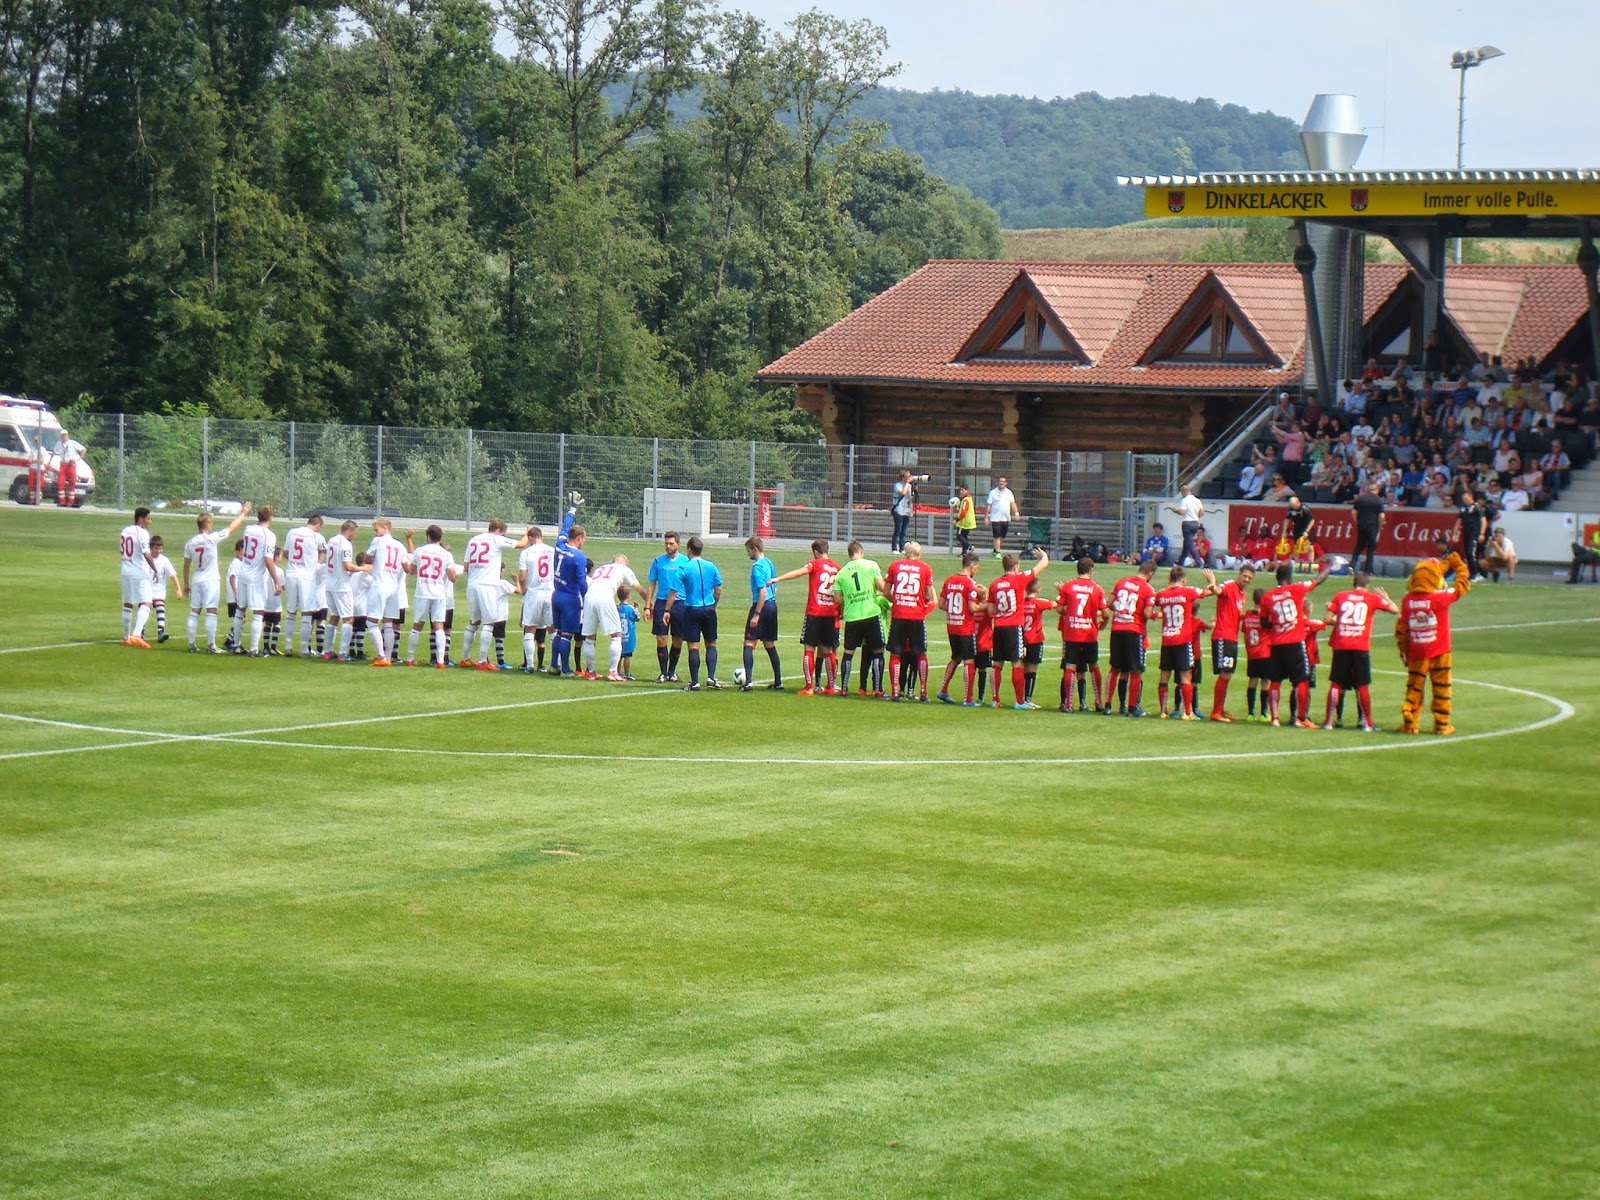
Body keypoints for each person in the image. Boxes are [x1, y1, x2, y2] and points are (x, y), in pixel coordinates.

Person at [1396, 551, 1471, 735]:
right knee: (1441, 689)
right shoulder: (1439, 598)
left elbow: (1401, 630)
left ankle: (1410, 720)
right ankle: (1441, 724)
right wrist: (1459, 565)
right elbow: (1462, 586)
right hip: (1440, 651)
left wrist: (1404, 652)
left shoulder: (1407, 601)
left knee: (1414, 687)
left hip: (1417, 652)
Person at [1322, 571, 1398, 731]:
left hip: (1341, 645)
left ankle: (1328, 722)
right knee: (1362, 685)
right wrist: (1388, 598)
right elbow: (1395, 610)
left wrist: (1343, 623)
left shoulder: (1340, 596)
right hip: (1360, 647)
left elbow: (1328, 619)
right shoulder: (1372, 598)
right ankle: (1367, 724)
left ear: (1353, 583)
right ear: (1367, 585)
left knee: (1336, 684)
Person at [1259, 560, 1330, 727]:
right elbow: (1318, 579)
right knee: (1301, 680)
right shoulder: (1297, 589)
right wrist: (1330, 566)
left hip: (1276, 644)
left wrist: (1277, 625)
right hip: (1295, 642)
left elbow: (1263, 622)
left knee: (1275, 681)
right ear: (1289, 577)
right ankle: (1301, 718)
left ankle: (1275, 718)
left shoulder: (1267, 597)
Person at [770, 539, 841, 695]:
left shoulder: (814, 564)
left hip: (814, 612)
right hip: (830, 614)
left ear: (816, 552)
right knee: (828, 650)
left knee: (809, 649)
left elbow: (799, 572)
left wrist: (778, 579)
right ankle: (830, 687)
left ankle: (809, 687)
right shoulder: (837, 568)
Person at [181, 505, 252, 654]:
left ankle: (191, 643)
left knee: (194, 612)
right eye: (211, 523)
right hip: (211, 579)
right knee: (211, 611)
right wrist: (243, 514)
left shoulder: (190, 542)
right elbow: (231, 528)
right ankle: (211, 645)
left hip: (197, 578)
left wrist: (186, 584)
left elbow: (186, 565)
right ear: (207, 524)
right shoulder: (211, 538)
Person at [462, 519, 530, 672]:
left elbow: (466, 567)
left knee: (474, 621)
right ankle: (482, 660)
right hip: (487, 585)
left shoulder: (473, 540)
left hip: (472, 584)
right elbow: (520, 544)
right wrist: (527, 533)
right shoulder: (495, 539)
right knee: (489, 623)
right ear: (499, 530)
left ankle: (465, 658)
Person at [1153, 565, 1219, 720]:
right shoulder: (1188, 592)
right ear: (1183, 580)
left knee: (1164, 675)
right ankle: (1187, 712)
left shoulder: (1161, 594)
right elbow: (1209, 592)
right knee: (1185, 676)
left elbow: (1154, 603)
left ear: (1169, 579)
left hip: (1167, 640)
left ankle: (1163, 711)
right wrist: (1212, 581)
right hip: (1182, 640)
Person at [987, 548, 1049, 709]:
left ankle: (995, 699)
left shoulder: (995, 585)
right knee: (1017, 663)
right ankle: (1020, 701)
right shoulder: (1019, 579)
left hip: (998, 627)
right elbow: (1043, 565)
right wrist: (1043, 556)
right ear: (1016, 567)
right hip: (1014, 626)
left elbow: (991, 610)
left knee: (997, 664)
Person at [1055, 556, 1109, 714]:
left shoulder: (1068, 586)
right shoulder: (1097, 588)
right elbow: (1105, 613)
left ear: (1077, 569)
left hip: (1072, 631)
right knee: (1093, 665)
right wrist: (1103, 624)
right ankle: (1099, 702)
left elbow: (1059, 608)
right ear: (1091, 571)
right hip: (1089, 633)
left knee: (1070, 666)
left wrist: (1070, 612)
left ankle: (1068, 704)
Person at [832, 540, 886, 697]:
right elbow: (881, 586)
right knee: (877, 651)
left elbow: (837, 598)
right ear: (861, 552)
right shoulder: (871, 565)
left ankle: (843, 687)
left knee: (848, 652)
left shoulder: (841, 573)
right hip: (871, 613)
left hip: (852, 616)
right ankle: (877, 689)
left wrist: (850, 599)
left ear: (849, 555)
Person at [229, 506, 284, 658]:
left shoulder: (249, 529)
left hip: (244, 572)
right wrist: (276, 581)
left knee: (240, 609)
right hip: (255, 577)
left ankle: (236, 645)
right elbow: (268, 559)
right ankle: (254, 649)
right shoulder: (269, 535)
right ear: (270, 518)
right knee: (258, 612)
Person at [403, 526, 462, 668]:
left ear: (428, 536)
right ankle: (441, 661)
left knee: (417, 625)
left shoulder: (420, 550)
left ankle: (410, 658)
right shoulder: (446, 554)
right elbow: (453, 577)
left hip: (422, 591)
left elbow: (411, 571)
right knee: (439, 626)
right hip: (439, 593)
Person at [1106, 560, 1158, 717]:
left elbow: (1109, 603)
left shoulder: (1122, 582)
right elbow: (1148, 613)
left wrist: (1122, 611)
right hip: (1133, 630)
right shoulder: (1148, 589)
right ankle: (1132, 707)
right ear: (1150, 574)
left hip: (1117, 628)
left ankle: (1107, 705)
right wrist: (1158, 615)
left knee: (1115, 668)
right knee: (1136, 670)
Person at [885, 540, 935, 702]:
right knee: (921, 653)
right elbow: (928, 594)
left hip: (899, 614)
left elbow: (886, 591)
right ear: (919, 554)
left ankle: (894, 691)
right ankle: (923, 692)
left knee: (896, 653)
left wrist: (898, 600)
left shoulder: (895, 566)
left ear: (905, 553)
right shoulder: (926, 568)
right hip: (916, 615)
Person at [581, 554, 643, 680]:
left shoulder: (600, 568)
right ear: (624, 563)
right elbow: (638, 588)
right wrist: (649, 604)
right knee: (616, 635)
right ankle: (613, 671)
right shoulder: (623, 568)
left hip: (589, 596)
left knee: (589, 637)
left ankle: (591, 672)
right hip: (605, 596)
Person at [1206, 562, 1253, 721]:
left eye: (1249, 578)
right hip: (1222, 636)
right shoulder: (1230, 585)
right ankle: (1216, 712)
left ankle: (1220, 709)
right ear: (1239, 574)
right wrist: (1212, 584)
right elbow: (1218, 591)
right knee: (1225, 674)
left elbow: (1233, 612)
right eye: (1245, 576)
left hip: (1232, 638)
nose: (1246, 579)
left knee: (1228, 674)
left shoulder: (1242, 594)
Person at [936, 553, 983, 706]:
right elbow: (972, 607)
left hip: (952, 626)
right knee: (969, 660)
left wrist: (954, 612)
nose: (977, 571)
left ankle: (943, 689)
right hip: (965, 627)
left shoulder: (949, 581)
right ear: (972, 566)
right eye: (977, 568)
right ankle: (968, 698)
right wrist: (985, 606)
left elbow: (942, 604)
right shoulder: (970, 584)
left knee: (956, 657)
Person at [735, 537, 783, 691]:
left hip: (761, 606)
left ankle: (747, 682)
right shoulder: (769, 563)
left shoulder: (757, 567)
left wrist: (757, 614)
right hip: (772, 606)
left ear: (754, 549)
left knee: (749, 643)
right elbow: (774, 587)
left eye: (748, 550)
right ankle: (778, 682)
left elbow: (762, 591)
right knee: (769, 644)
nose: (748, 554)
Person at [676, 536, 723, 690]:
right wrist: (714, 604)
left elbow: (674, 590)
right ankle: (710, 677)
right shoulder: (711, 566)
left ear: (689, 549)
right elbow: (718, 589)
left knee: (693, 646)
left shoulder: (684, 567)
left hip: (691, 609)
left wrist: (668, 609)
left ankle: (695, 682)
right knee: (711, 643)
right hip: (709, 609)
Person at [362, 518, 410, 667]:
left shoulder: (378, 541)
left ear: (384, 528)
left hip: (380, 583)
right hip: (394, 587)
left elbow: (367, 559)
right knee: (388, 622)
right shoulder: (400, 545)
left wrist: (371, 557)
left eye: (376, 530)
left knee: (371, 621)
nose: (375, 533)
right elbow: (408, 568)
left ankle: (381, 656)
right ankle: (388, 657)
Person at [549, 496, 588, 677]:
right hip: (570, 597)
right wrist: (586, 598)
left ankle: (553, 665)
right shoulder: (579, 557)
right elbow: (581, 581)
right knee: (567, 634)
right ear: (579, 538)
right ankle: (565, 669)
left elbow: (564, 527)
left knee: (558, 632)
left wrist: (572, 509)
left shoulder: (559, 545)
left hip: (556, 594)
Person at [282, 514, 328, 657]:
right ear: (318, 525)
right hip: (306, 577)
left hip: (291, 574)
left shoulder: (292, 532)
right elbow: (323, 552)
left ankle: (288, 646)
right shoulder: (317, 536)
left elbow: (285, 553)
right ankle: (303, 649)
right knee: (307, 614)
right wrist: (316, 563)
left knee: (290, 613)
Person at [646, 531, 688, 682]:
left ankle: (672, 672)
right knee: (661, 638)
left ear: (678, 544)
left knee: (678, 639)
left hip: (680, 603)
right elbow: (651, 585)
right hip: (662, 603)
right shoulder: (657, 562)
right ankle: (663, 672)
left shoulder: (686, 561)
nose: (668, 546)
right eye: (666, 543)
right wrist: (647, 606)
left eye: (671, 543)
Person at [320, 519, 362, 661]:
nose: (354, 536)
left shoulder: (331, 540)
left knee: (333, 617)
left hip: (329, 584)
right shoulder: (346, 544)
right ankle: (343, 653)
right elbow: (348, 566)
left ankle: (327, 651)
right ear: (349, 530)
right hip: (341, 586)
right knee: (348, 619)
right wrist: (363, 568)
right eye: (354, 533)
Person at [516, 525, 556, 673]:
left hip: (534, 593)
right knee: (552, 629)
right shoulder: (552, 551)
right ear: (541, 536)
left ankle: (530, 664)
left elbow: (522, 576)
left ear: (530, 537)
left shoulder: (526, 552)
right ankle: (555, 663)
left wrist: (523, 587)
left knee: (530, 628)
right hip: (550, 592)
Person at [119, 507, 159, 647]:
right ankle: (136, 634)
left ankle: (126, 637)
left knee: (128, 603)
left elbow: (121, 550)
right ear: (140, 519)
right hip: (139, 571)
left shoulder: (125, 530)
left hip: (125, 569)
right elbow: (146, 554)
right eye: (148, 518)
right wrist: (155, 569)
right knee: (147, 602)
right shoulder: (142, 533)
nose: (150, 521)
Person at [1240, 589, 1272, 722]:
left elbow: (1244, 630)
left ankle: (1250, 713)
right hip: (1265, 652)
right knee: (1266, 682)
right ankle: (1264, 713)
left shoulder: (1248, 615)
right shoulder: (1265, 616)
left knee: (1252, 681)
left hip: (1252, 654)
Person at [145, 536, 182, 643]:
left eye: (160, 549)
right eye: (156, 549)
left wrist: (178, 589)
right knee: (145, 609)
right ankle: (140, 632)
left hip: (159, 589)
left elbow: (173, 575)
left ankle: (161, 631)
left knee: (160, 606)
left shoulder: (164, 560)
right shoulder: (145, 558)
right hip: (146, 588)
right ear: (151, 548)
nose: (158, 551)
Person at [1350, 482, 1386, 575]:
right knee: (1371, 548)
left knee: (1359, 545)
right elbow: (1381, 516)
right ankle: (1367, 570)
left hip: (1361, 525)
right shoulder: (1378, 500)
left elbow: (1353, 512)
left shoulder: (1361, 499)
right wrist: (1380, 526)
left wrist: (1357, 521)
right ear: (1376, 490)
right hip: (1372, 526)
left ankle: (1352, 565)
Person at [1167, 484, 1206, 566]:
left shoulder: (1185, 500)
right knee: (1186, 543)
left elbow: (1182, 512)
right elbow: (1202, 512)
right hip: (1195, 522)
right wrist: (1196, 516)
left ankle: (1198, 561)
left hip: (1187, 523)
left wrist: (1175, 510)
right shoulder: (1197, 500)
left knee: (1189, 543)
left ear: (1184, 491)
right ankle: (1181, 562)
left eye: (1181, 492)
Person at [986, 475, 1020, 557]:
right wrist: (986, 517)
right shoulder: (993, 492)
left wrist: (1016, 513)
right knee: (996, 536)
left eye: (1003, 482)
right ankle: (997, 552)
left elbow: (1013, 503)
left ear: (1006, 483)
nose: (1001, 483)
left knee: (1002, 537)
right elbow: (988, 505)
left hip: (1006, 518)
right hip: (995, 518)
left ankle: (995, 550)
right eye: (1000, 481)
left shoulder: (1009, 492)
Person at [1457, 491, 1487, 581]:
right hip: (1466, 533)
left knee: (1471, 553)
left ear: (1471, 497)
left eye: (1466, 498)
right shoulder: (1463, 508)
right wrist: (1455, 532)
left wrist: (1482, 533)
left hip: (1474, 534)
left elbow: (1483, 521)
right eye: (1463, 499)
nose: (1464, 500)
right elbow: (1459, 521)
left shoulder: (1476, 507)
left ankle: (1476, 573)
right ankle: (1471, 573)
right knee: (1467, 554)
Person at [56, 428, 84, 507]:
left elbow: (83, 449)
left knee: (72, 483)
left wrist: (79, 458)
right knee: (60, 483)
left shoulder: (73, 443)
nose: (64, 437)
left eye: (65, 435)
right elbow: (54, 452)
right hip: (63, 464)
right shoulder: (58, 444)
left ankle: (70, 502)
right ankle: (62, 502)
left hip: (71, 464)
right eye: (62, 435)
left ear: (67, 436)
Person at [890, 470, 916, 553]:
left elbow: (911, 498)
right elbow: (903, 493)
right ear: (903, 477)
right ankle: (894, 548)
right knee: (898, 529)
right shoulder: (897, 485)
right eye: (907, 476)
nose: (909, 478)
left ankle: (902, 548)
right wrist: (908, 484)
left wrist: (915, 491)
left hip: (907, 510)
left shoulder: (909, 486)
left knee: (904, 531)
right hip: (899, 510)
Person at [618, 588, 640, 679]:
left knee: (618, 655)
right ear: (628, 595)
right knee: (627, 656)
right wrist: (636, 608)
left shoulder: (617, 608)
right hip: (629, 636)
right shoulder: (630, 608)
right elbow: (637, 618)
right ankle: (627, 673)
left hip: (619, 636)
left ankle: (617, 673)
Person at [951, 485, 977, 555]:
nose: (961, 492)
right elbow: (963, 510)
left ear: (967, 490)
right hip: (968, 522)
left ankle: (969, 547)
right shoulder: (969, 498)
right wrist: (958, 509)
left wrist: (956, 520)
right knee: (964, 536)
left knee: (959, 536)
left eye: (962, 490)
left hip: (964, 522)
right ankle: (964, 552)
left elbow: (964, 512)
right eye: (960, 490)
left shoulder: (966, 500)